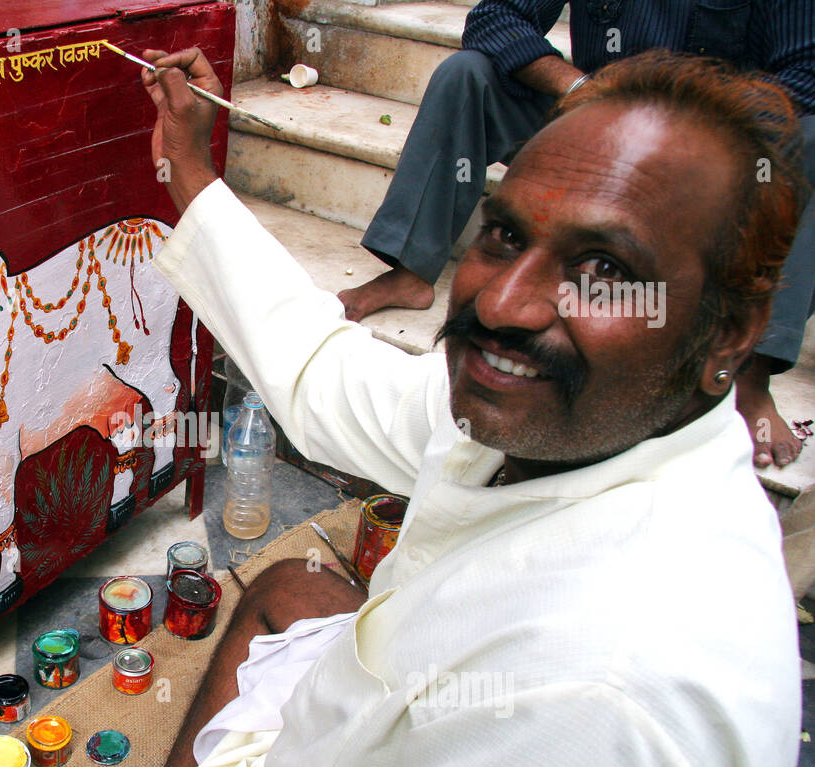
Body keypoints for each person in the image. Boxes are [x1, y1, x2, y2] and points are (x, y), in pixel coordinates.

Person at [0, 47, 802, 767]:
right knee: (285, 588)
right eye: (503, 235)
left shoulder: (592, 712)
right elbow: (325, 378)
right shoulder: (573, 418)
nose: (503, 303)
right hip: (358, 742)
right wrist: (192, 172)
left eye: (602, 270)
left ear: (726, 333)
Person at [337, 0, 815, 470]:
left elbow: (805, 71)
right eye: (503, 236)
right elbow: (495, 18)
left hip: (707, 161)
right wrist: (586, 91)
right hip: (587, 125)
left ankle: (751, 372)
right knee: (467, 73)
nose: (500, 307)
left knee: (809, 138)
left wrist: (682, 134)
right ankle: (410, 264)